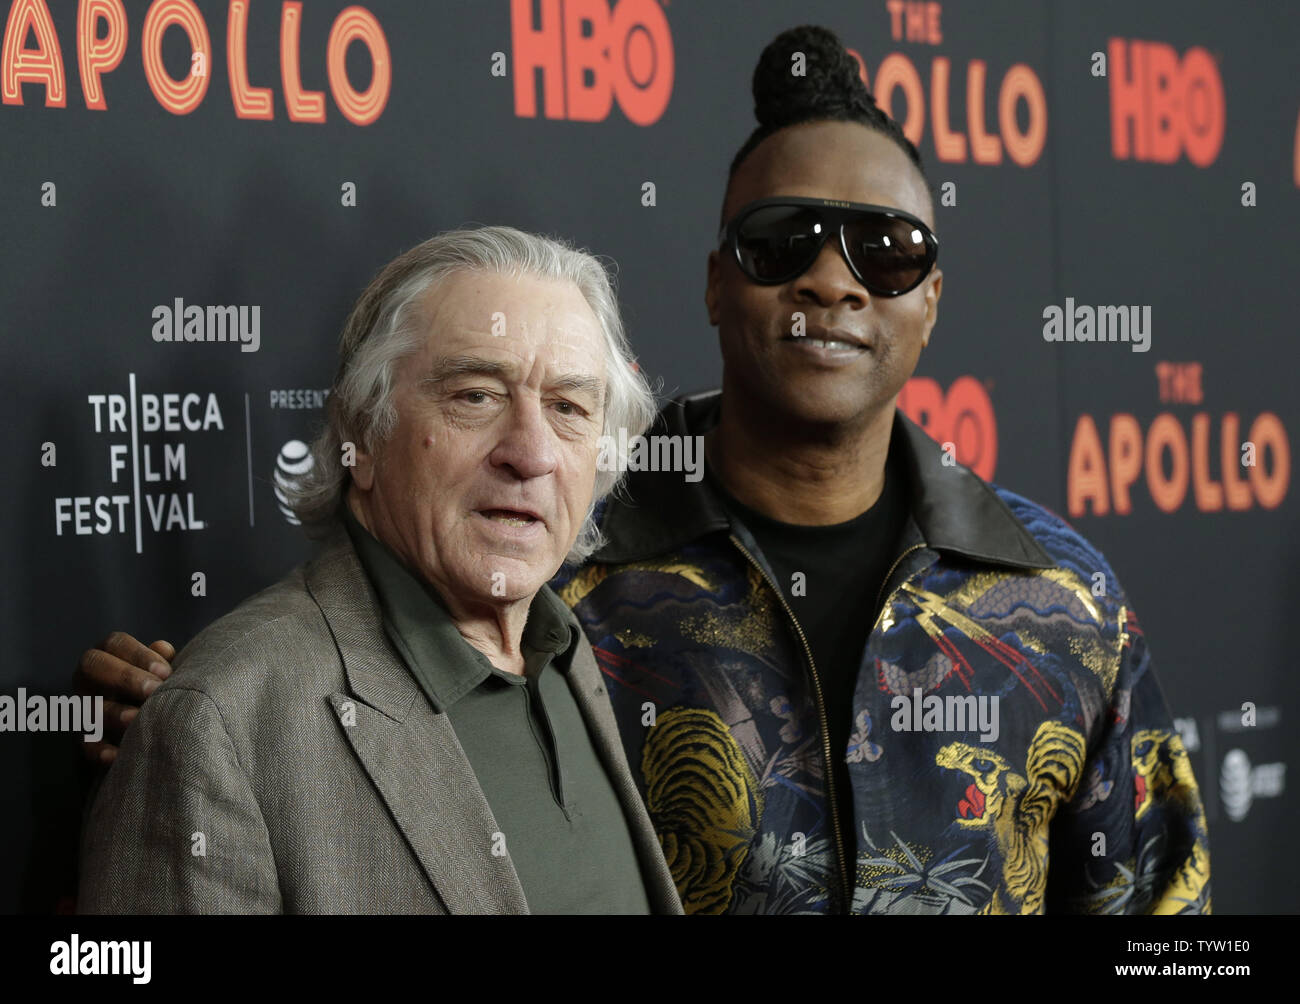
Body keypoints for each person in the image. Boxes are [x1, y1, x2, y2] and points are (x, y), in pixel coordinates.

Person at [76, 25, 1209, 915]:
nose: (834, 279)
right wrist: (193, 720)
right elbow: (338, 708)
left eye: (887, 249)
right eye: (784, 239)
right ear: (717, 282)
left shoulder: (1059, 598)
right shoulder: (549, 557)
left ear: (930, 301)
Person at [78, 226, 682, 915]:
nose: (532, 452)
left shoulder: (571, 648)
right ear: (361, 436)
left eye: (568, 409)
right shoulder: (221, 724)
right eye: (476, 395)